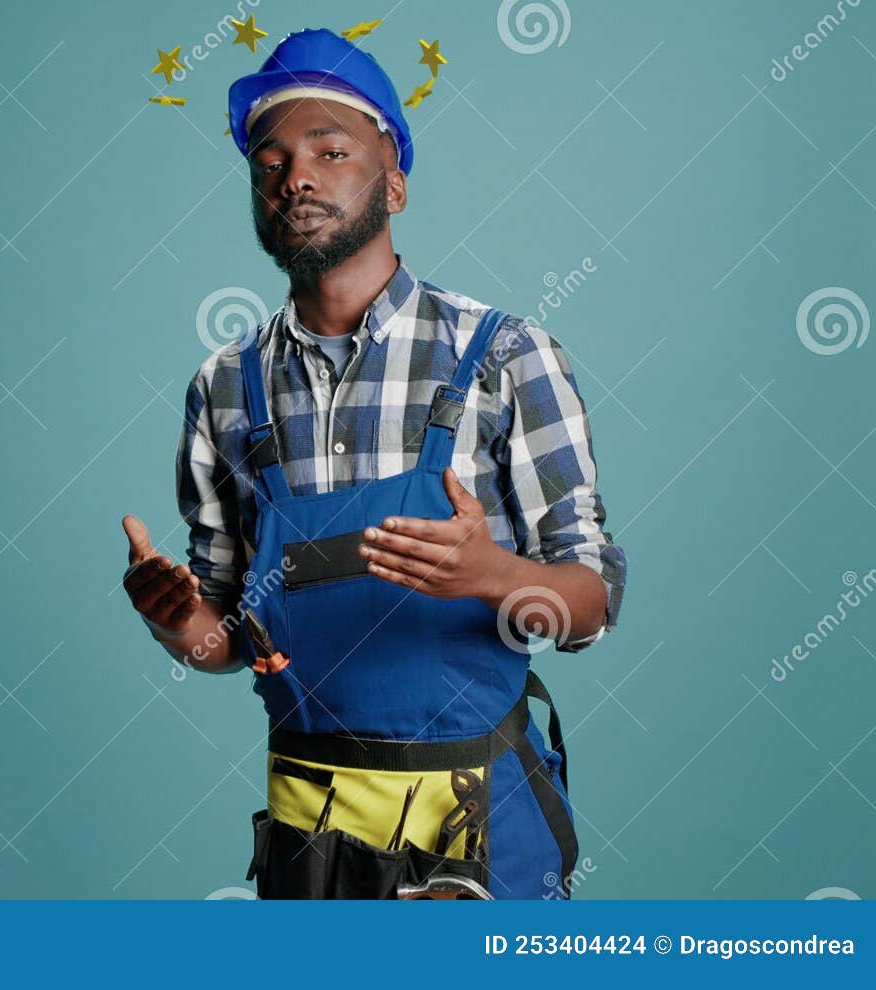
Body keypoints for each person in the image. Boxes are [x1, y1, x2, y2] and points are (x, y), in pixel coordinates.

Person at [120, 28, 628, 899]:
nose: (297, 176)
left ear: (392, 182)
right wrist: (175, 624)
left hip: (477, 825)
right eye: (270, 161)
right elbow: (227, 642)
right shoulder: (224, 388)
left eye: (330, 150)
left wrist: (492, 573)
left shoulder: (504, 357)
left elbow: (590, 608)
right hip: (311, 835)